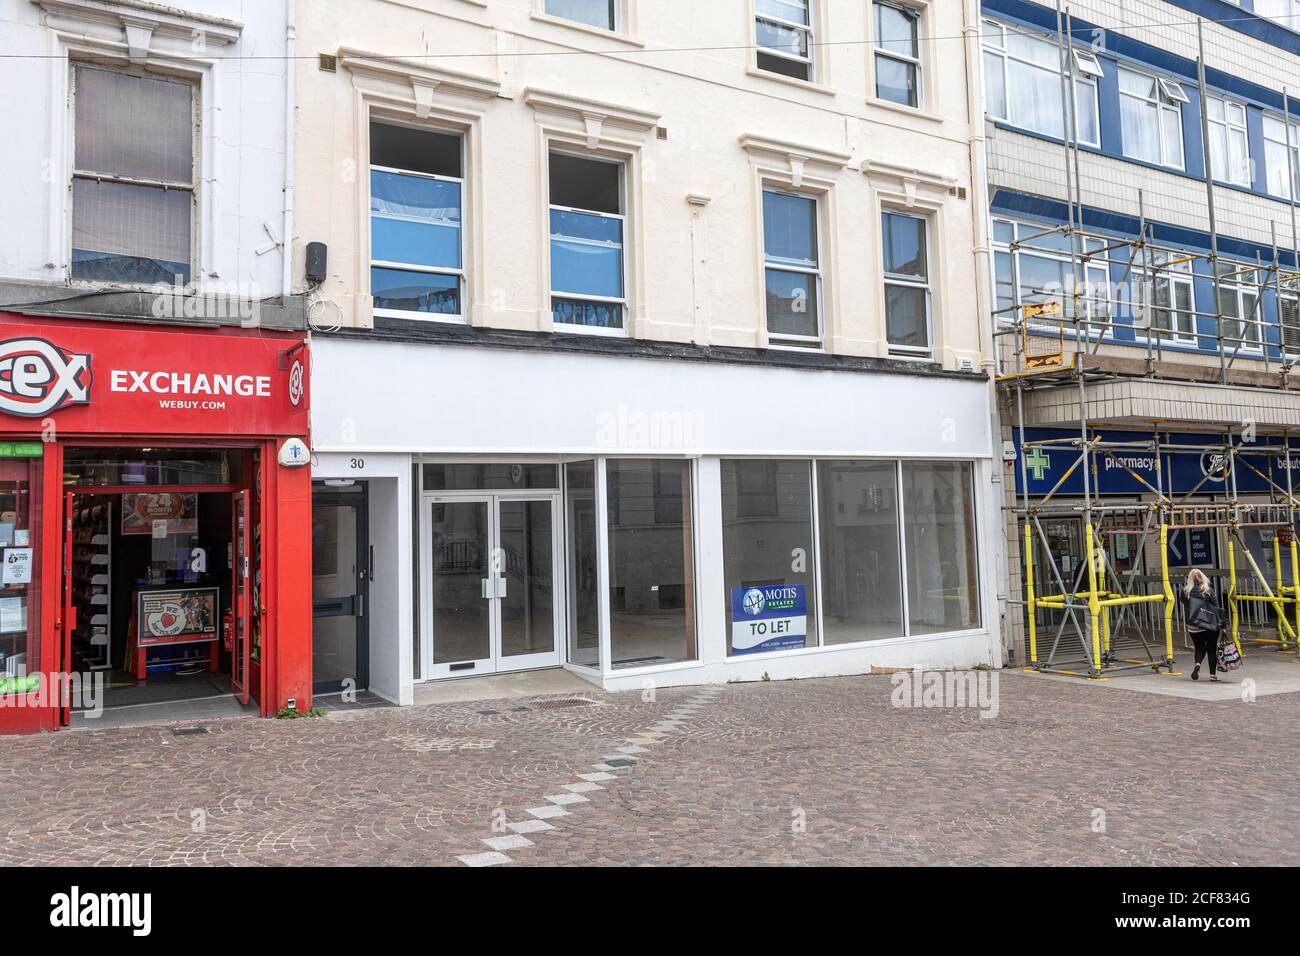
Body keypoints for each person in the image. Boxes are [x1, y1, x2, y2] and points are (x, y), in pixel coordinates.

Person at [1180, 568, 1222, 682]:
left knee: (1199, 648)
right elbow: (1216, 607)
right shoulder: (1208, 590)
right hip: (1209, 624)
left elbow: (1184, 602)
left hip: (1193, 625)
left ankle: (1197, 665)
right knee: (1211, 649)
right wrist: (1222, 625)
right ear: (1203, 577)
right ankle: (1212, 675)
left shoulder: (1185, 591)